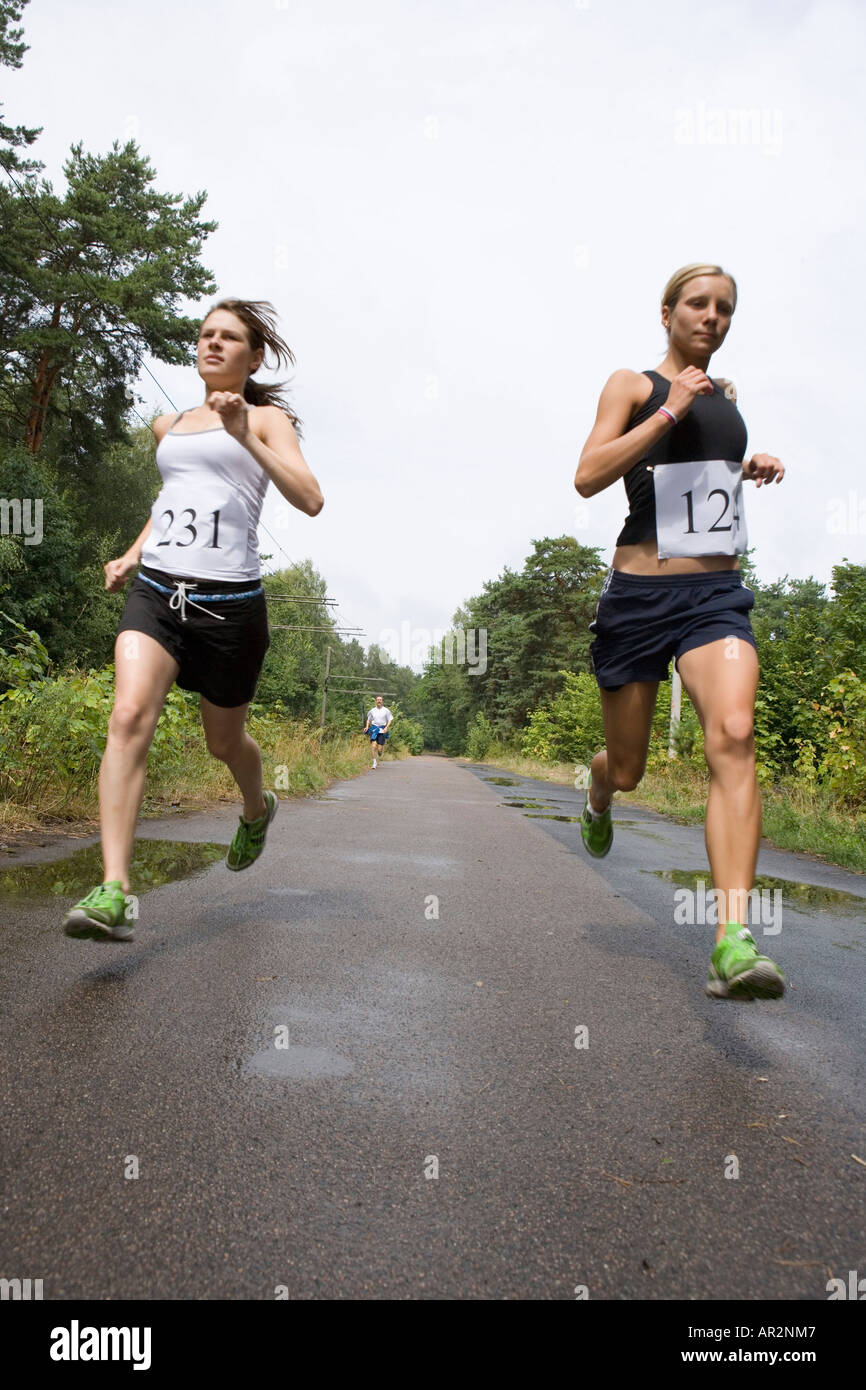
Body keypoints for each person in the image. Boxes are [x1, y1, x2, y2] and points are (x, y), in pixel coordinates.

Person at [63, 299, 324, 941]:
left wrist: (243, 437)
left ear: (253, 356)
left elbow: (310, 499)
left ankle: (256, 808)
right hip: (157, 591)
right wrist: (130, 554)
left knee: (223, 743)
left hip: (231, 607)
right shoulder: (170, 425)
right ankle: (115, 890)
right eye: (205, 335)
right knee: (127, 718)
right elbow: (174, 497)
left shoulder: (268, 419)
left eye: (228, 337)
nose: (212, 344)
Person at [574, 263, 785, 1000]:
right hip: (637, 597)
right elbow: (588, 475)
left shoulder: (727, 401)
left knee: (732, 729)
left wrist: (746, 465)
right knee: (629, 767)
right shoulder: (633, 385)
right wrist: (668, 411)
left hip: (715, 598)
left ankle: (733, 940)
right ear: (666, 313)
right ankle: (601, 788)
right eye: (698, 304)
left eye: (725, 308)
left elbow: (703, 481)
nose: (712, 317)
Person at [363, 696, 393, 768]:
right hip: (374, 729)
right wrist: (367, 726)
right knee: (373, 746)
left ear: (382, 701)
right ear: (376, 701)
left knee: (379, 749)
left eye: (380, 700)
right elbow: (368, 720)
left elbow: (390, 720)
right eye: (378, 700)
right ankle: (374, 762)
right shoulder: (372, 710)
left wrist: (386, 727)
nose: (379, 701)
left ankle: (380, 752)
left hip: (382, 730)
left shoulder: (386, 710)